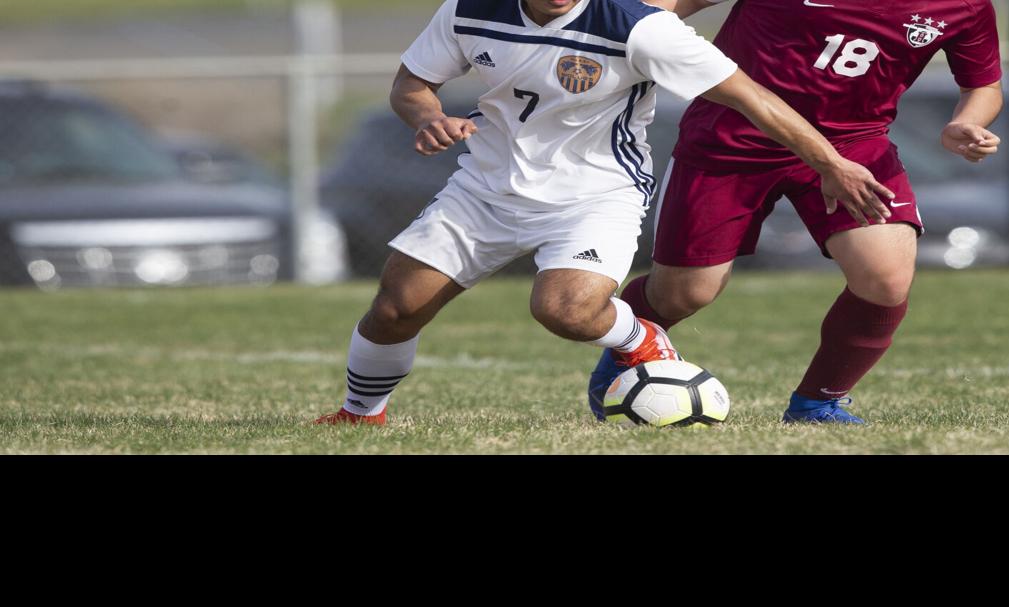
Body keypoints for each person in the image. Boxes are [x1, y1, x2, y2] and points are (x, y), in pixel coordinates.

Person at [315, 0, 894, 425]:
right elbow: (412, 84)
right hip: (484, 190)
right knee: (394, 310)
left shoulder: (641, 26)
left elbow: (753, 97)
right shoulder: (468, 10)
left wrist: (830, 163)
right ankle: (360, 415)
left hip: (595, 194)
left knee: (565, 310)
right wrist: (427, 118)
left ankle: (643, 343)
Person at [587, 0, 1003, 425]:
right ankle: (627, 352)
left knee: (886, 278)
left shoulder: (964, 6)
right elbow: (665, 8)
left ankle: (816, 404)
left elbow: (983, 85)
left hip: (853, 147)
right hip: (732, 138)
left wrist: (964, 122)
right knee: (685, 293)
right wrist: (595, 35)